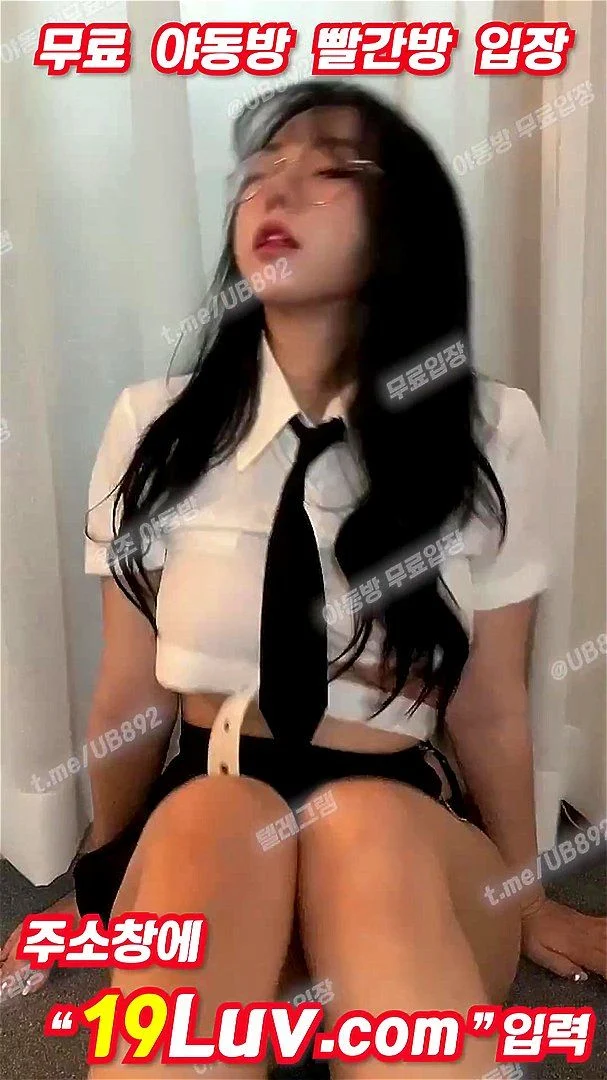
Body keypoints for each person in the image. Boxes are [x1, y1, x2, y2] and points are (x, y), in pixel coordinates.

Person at [1, 80, 605, 1078]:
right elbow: (130, 694)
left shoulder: (492, 431)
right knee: (215, 816)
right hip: (208, 817)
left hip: (402, 834)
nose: (277, 190)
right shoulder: (155, 427)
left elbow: (491, 706)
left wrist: (526, 892)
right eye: (260, 172)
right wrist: (101, 885)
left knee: (360, 825)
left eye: (332, 170)